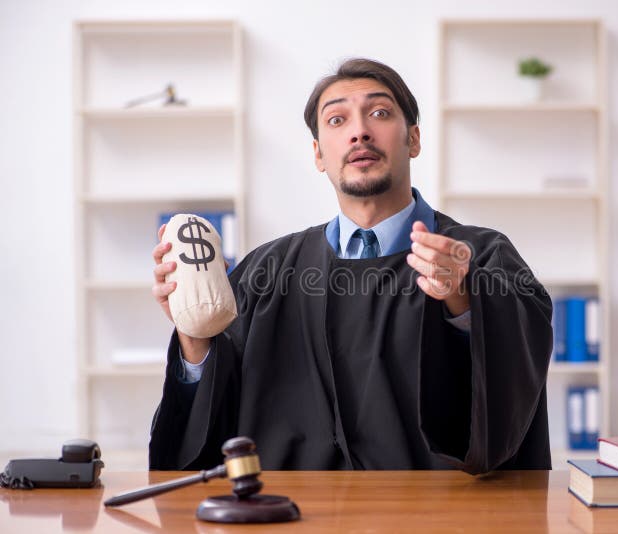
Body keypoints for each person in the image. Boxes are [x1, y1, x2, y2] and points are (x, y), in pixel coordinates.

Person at [149, 58, 553, 474]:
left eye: (379, 113)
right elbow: (212, 429)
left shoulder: (480, 257)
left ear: (413, 139)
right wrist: (193, 340)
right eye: (337, 119)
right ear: (319, 153)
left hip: (439, 515)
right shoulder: (266, 273)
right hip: (293, 516)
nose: (360, 131)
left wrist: (462, 300)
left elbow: (509, 393)